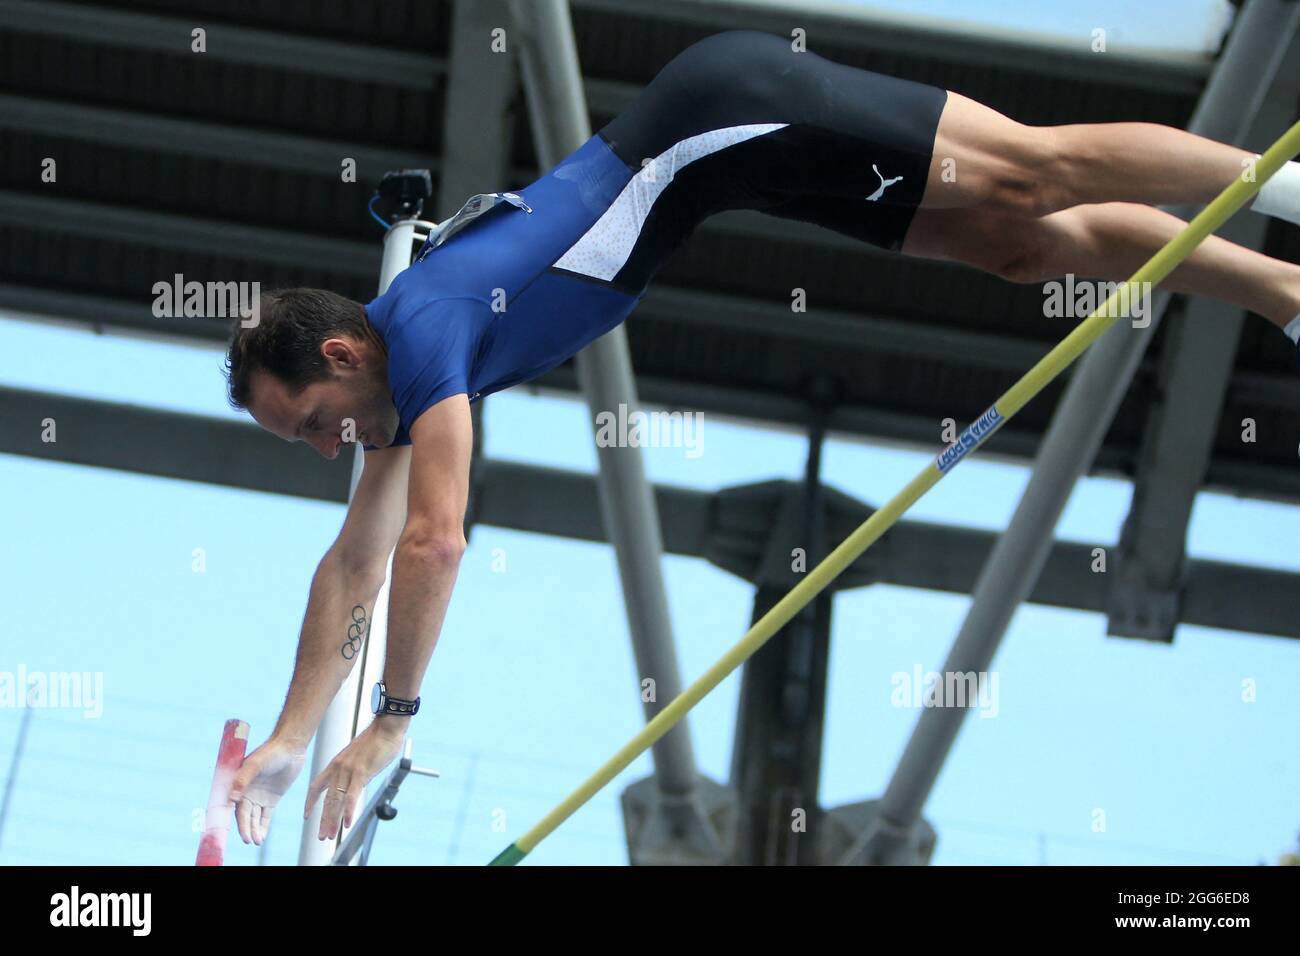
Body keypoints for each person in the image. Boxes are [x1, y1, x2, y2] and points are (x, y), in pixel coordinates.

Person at [222, 29, 1300, 847]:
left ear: (344, 359)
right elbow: (353, 561)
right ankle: (1281, 294)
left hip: (727, 111)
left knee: (1030, 170)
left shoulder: (423, 333)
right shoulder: (395, 389)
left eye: (313, 424)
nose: (327, 449)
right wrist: (284, 738)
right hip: (730, 171)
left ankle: (1282, 180)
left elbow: (431, 544)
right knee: (1022, 250)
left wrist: (392, 721)